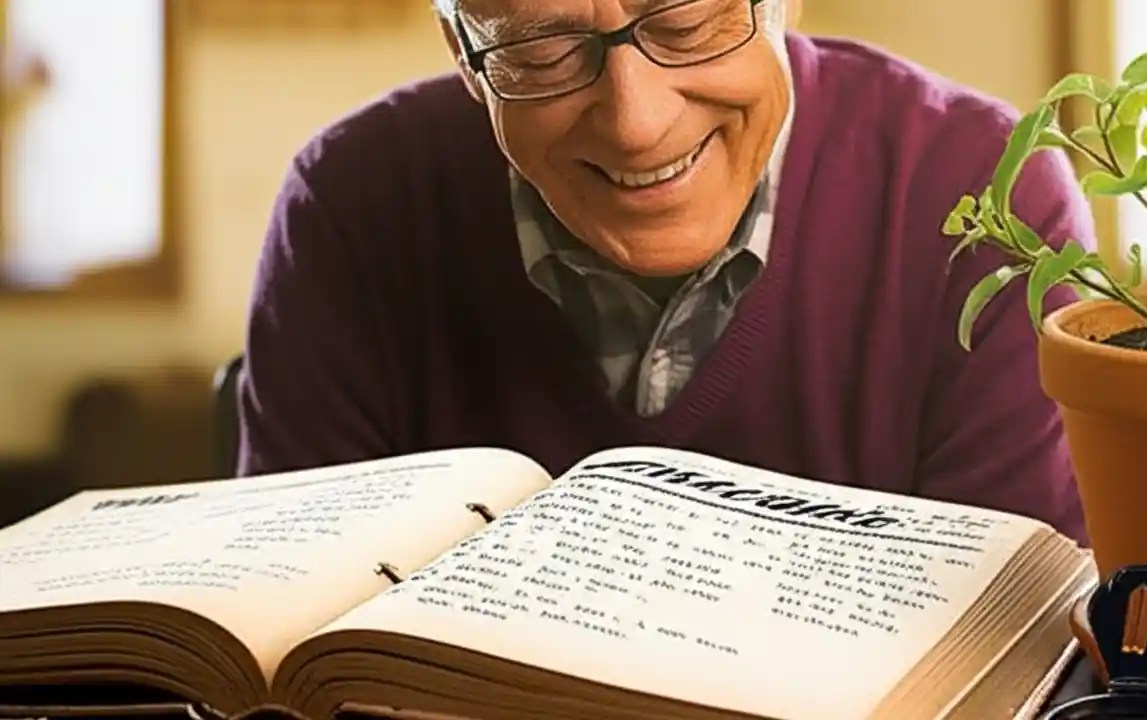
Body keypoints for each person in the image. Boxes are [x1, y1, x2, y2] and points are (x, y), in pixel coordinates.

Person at [236, 0, 1094, 544]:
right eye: (540, 55)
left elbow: (1017, 666)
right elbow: (279, 648)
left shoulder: (981, 192)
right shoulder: (351, 206)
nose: (637, 124)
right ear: (465, 57)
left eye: (687, 23)